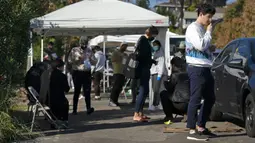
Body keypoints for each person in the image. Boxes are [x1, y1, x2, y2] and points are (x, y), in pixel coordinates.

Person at [185, 3, 217, 141]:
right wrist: (209, 32)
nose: (209, 20)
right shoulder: (193, 28)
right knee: (196, 98)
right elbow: (200, 45)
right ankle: (192, 129)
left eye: (211, 17)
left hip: (205, 67)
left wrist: (211, 48)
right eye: (208, 17)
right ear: (201, 14)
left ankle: (201, 126)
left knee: (210, 98)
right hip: (196, 67)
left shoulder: (201, 29)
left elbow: (204, 47)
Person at [133, 26, 158, 122]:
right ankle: (136, 113)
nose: (154, 38)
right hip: (143, 69)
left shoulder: (143, 40)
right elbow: (142, 56)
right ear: (149, 33)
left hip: (144, 68)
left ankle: (140, 113)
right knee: (143, 90)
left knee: (145, 91)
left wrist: (151, 60)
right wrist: (150, 60)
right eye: (154, 35)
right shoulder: (143, 40)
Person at [68, 36, 96, 115]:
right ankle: (74, 110)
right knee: (77, 91)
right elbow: (69, 60)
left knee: (87, 91)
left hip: (86, 72)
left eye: (85, 44)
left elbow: (94, 61)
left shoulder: (89, 51)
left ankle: (88, 108)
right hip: (77, 72)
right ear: (80, 43)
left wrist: (91, 59)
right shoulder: (74, 50)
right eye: (83, 44)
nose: (84, 46)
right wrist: (78, 58)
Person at [160, 57, 189, 125]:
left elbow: (170, 88)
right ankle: (186, 114)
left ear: (173, 65)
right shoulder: (188, 73)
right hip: (189, 103)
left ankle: (169, 116)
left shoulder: (175, 75)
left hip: (179, 103)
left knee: (163, 94)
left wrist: (165, 82)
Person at [48, 59, 70, 128]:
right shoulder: (62, 76)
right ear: (58, 67)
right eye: (62, 66)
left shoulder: (48, 75)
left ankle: (53, 122)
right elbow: (67, 89)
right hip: (60, 99)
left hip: (49, 99)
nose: (63, 68)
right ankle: (64, 122)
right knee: (65, 103)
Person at [148, 40, 167, 111]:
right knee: (155, 89)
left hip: (157, 74)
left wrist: (159, 75)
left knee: (156, 90)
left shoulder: (161, 53)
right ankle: (157, 104)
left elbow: (161, 65)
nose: (154, 46)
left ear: (158, 45)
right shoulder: (156, 52)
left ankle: (155, 104)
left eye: (155, 45)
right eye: (153, 45)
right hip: (154, 73)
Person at [109, 42, 128, 107]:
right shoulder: (116, 52)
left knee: (119, 87)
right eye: (124, 46)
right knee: (115, 87)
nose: (125, 48)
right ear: (121, 46)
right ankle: (111, 100)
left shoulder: (125, 54)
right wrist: (121, 57)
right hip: (117, 72)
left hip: (123, 72)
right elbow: (113, 60)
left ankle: (115, 100)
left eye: (126, 46)